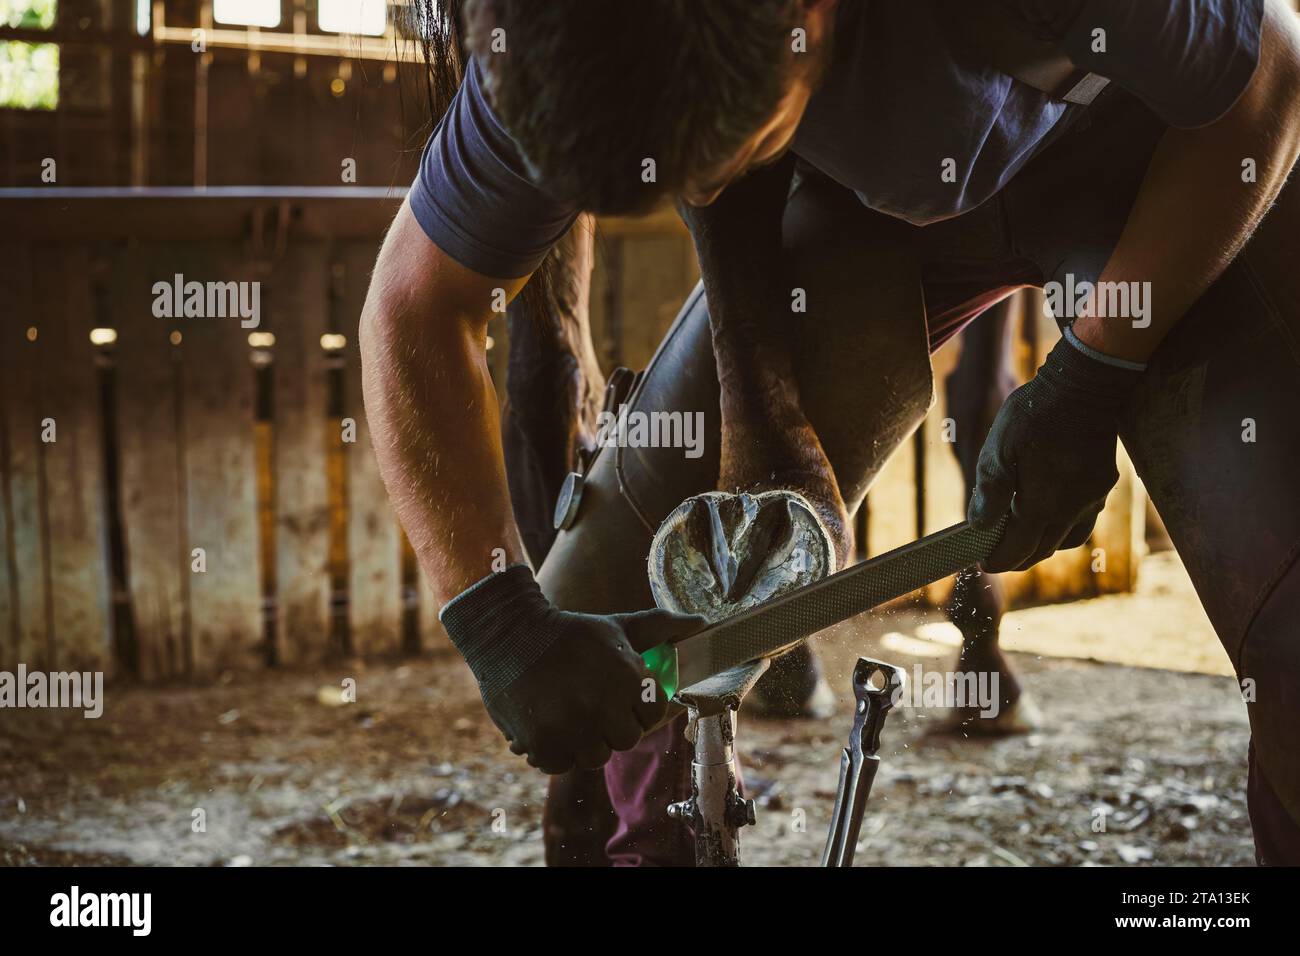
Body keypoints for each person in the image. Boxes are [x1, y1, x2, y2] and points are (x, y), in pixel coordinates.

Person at [360, 0, 1300, 865]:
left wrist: (1096, 372)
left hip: (1168, 157)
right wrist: (497, 620)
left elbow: (1270, 78)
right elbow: (412, 308)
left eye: (723, 147)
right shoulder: (566, 31)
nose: (697, 183)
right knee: (597, 592)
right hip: (865, 207)